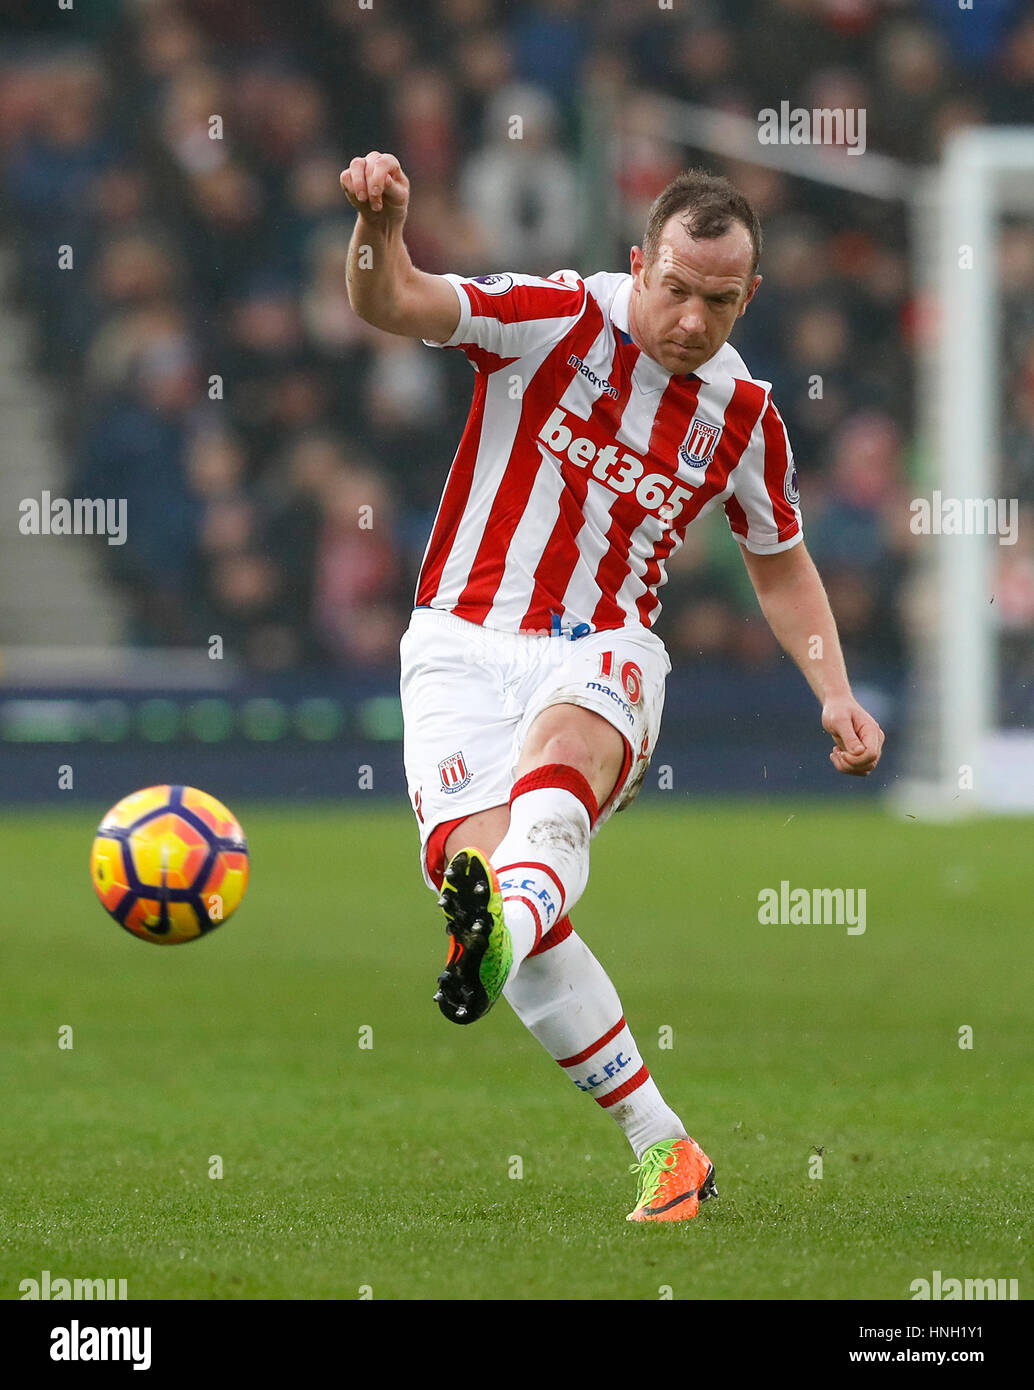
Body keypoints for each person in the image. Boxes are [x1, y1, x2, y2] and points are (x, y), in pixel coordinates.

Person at [341, 151, 885, 1223]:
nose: (689, 318)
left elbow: (778, 561)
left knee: (550, 782)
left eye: (717, 301)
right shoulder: (547, 316)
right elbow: (391, 299)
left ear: (749, 295)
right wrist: (380, 225)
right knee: (502, 912)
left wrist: (831, 689)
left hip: (602, 646)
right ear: (638, 263)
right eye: (673, 288)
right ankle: (662, 1146)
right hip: (455, 644)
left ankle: (508, 908)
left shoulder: (744, 419)